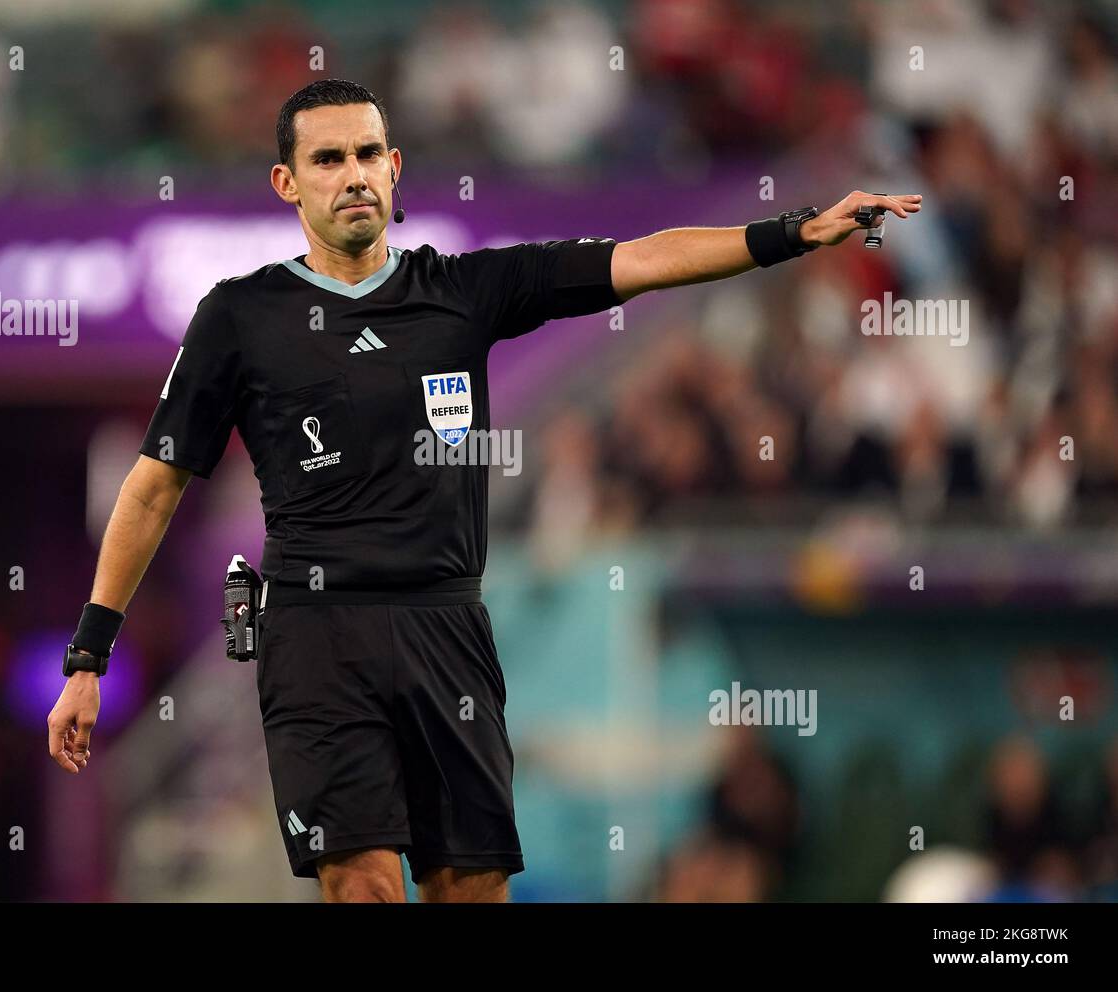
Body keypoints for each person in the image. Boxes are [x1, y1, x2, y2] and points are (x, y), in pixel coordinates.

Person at [46, 78, 921, 903]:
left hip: (447, 628)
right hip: (316, 636)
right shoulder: (241, 316)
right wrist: (89, 659)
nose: (352, 176)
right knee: (362, 884)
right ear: (287, 181)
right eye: (327, 159)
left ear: (394, 168)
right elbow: (153, 489)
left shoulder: (464, 292)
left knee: (471, 888)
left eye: (367, 154)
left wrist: (793, 232)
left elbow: (643, 261)